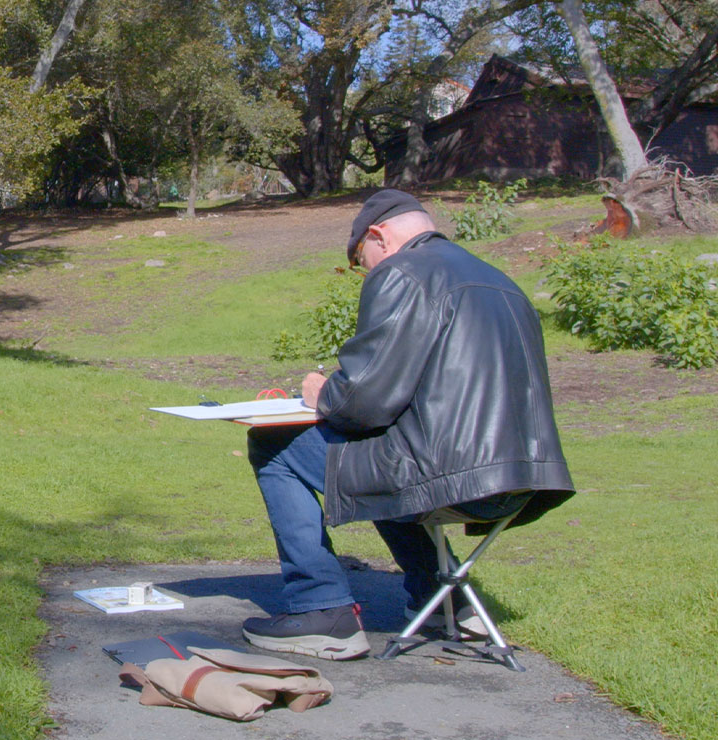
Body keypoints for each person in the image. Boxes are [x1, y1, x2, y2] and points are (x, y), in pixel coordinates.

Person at [242, 189, 575, 660]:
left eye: (361, 260)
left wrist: (322, 392)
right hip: (522, 481)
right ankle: (444, 599)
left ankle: (322, 609)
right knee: (380, 456)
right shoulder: (500, 281)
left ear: (378, 235)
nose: (366, 271)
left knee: (272, 443)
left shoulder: (402, 272)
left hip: (448, 479)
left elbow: (363, 402)